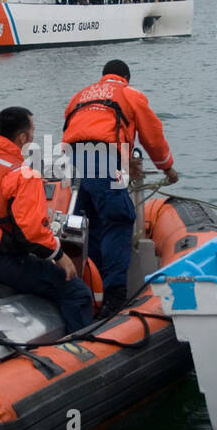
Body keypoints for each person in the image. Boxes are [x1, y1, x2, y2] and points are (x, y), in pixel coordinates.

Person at [0, 107, 93, 334]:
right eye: (32, 130)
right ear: (23, 137)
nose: (33, 135)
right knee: (77, 292)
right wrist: (60, 256)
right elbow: (32, 232)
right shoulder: (22, 173)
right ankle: (81, 348)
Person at [62, 60, 179, 314]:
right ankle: (114, 295)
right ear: (125, 77)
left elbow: (82, 129)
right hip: (102, 160)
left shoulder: (80, 95)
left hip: (73, 162)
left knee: (87, 225)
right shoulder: (129, 93)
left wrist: (123, 162)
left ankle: (91, 288)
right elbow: (152, 134)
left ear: (103, 77)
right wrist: (167, 167)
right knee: (120, 217)